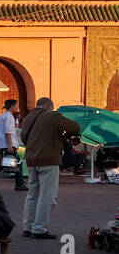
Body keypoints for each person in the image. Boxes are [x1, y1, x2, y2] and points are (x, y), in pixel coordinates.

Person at [18, 97, 81, 239]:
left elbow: (23, 138)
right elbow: (74, 127)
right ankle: (39, 228)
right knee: (47, 196)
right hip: (49, 161)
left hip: (32, 161)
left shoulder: (28, 118)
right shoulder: (52, 116)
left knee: (32, 195)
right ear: (48, 106)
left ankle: (27, 227)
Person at [0, 99, 23, 182]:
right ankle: (20, 183)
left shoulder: (3, 116)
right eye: (16, 106)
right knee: (17, 163)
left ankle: (20, 183)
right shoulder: (9, 117)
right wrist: (10, 145)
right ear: (12, 107)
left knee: (3, 163)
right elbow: (8, 132)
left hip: (3, 144)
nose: (17, 107)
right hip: (7, 144)